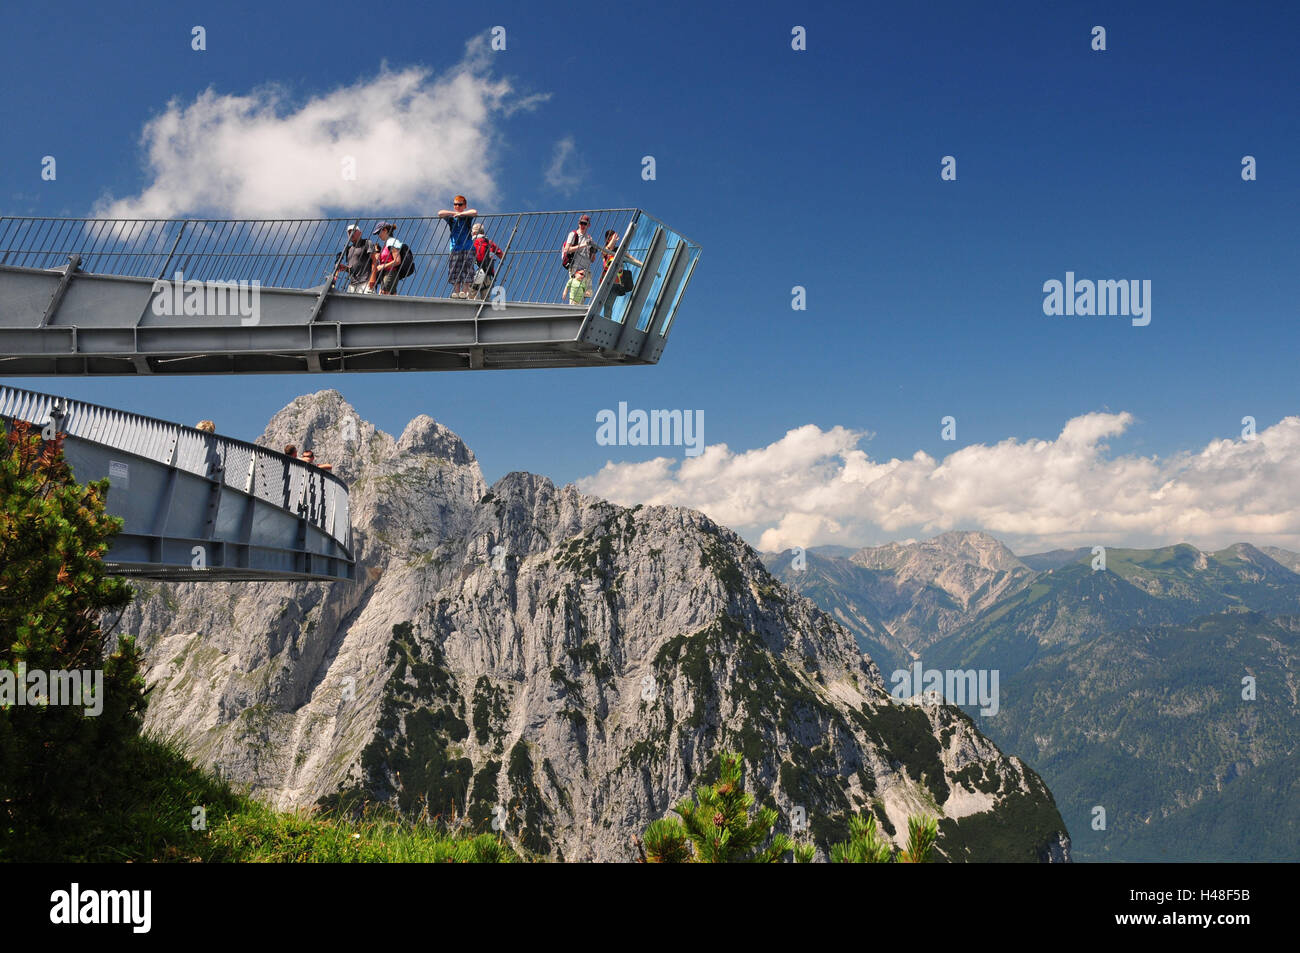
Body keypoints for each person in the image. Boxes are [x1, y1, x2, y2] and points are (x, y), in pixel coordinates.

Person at [437, 195, 478, 298]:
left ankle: (464, 292)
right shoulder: (452, 218)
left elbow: (474, 212)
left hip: (468, 247)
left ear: (464, 206)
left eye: (460, 204)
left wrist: (461, 214)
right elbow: (440, 213)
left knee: (467, 270)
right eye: (455, 204)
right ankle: (456, 292)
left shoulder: (467, 217)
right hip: (455, 248)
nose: (457, 206)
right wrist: (454, 214)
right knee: (455, 270)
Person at [562, 214, 598, 301]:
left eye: (585, 224)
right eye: (581, 223)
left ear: (588, 225)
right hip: (576, 268)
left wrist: (593, 251)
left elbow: (592, 260)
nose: (582, 225)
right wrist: (584, 245)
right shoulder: (573, 234)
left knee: (584, 296)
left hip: (586, 269)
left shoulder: (589, 238)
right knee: (576, 295)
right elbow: (567, 249)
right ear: (578, 223)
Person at [334, 224, 376, 293]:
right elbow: (352, 269)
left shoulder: (367, 242)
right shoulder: (348, 249)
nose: (351, 233)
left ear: (360, 233)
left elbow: (374, 260)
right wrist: (345, 268)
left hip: (366, 283)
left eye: (353, 231)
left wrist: (373, 278)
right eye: (349, 232)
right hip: (352, 285)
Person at [470, 222, 504, 300]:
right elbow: (501, 255)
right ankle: (484, 305)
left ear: (474, 233)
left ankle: (473, 304)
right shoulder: (489, 242)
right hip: (487, 272)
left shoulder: (470, 242)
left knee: (471, 295)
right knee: (485, 298)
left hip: (473, 272)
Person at [371, 223, 405, 295]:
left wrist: (382, 266)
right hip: (387, 274)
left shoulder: (391, 242)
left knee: (384, 295)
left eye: (379, 232)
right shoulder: (387, 243)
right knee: (387, 295)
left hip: (390, 273)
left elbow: (397, 261)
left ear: (385, 230)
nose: (378, 235)